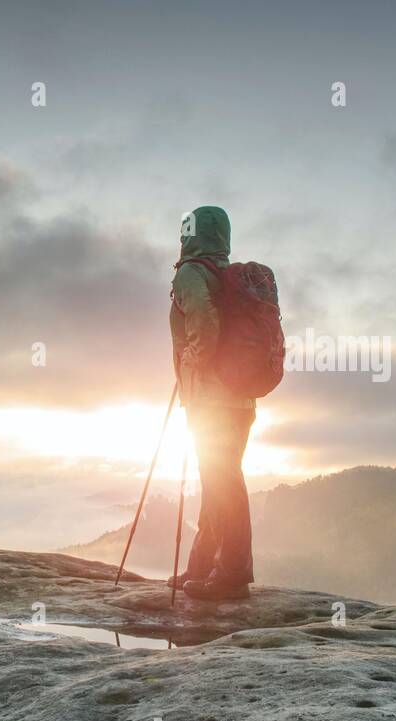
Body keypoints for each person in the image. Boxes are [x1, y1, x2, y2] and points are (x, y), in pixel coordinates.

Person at [167, 205, 255, 601]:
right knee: (219, 481)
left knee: (222, 482)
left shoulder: (191, 273)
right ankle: (203, 566)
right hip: (241, 397)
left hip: (211, 397)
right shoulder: (228, 276)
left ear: (190, 234)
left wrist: (192, 359)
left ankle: (232, 576)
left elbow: (201, 320)